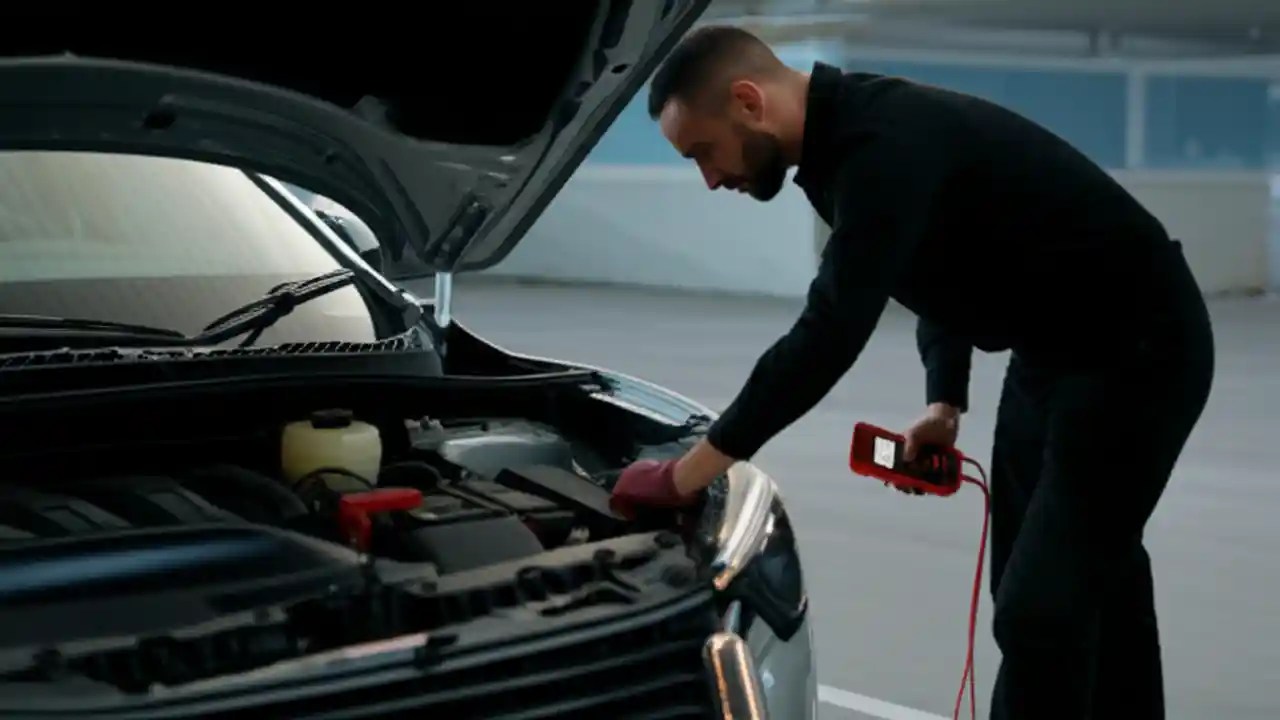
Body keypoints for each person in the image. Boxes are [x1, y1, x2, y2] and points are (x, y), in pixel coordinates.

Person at [607, 25, 1214, 720]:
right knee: (1085, 584)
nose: (711, 179)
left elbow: (827, 335)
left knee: (1041, 611)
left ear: (748, 101)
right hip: (1052, 352)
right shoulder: (839, 152)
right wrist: (945, 401)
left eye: (703, 153)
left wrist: (687, 473)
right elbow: (940, 260)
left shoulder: (881, 141)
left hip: (1139, 347)